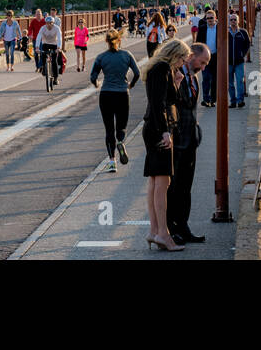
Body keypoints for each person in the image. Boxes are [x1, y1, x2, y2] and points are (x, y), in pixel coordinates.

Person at [142, 38, 188, 252]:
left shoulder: (160, 68)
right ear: (175, 55)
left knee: (155, 181)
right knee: (163, 182)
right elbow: (160, 103)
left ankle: (154, 231)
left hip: (153, 127)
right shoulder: (161, 69)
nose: (183, 64)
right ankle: (162, 234)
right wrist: (165, 131)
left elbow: (170, 100)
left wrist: (177, 82)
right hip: (158, 129)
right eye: (182, 59)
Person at [167, 42, 210, 245]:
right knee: (173, 187)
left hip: (191, 139)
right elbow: (168, 105)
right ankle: (171, 229)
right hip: (176, 140)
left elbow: (192, 109)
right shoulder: (174, 74)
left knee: (186, 187)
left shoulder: (193, 78)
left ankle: (184, 227)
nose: (203, 67)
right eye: (202, 62)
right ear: (191, 56)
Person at [89, 30, 141, 172]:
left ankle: (112, 161)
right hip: (122, 94)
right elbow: (137, 73)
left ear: (106, 41)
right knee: (121, 126)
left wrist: (97, 84)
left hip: (106, 94)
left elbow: (93, 77)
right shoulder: (127, 55)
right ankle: (120, 142)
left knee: (109, 129)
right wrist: (131, 84)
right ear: (119, 40)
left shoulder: (101, 57)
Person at [193, 9, 220, 107]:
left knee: (214, 79)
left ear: (215, 18)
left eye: (211, 18)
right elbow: (198, 42)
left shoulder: (220, 28)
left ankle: (213, 99)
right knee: (206, 78)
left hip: (216, 56)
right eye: (207, 18)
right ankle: (205, 98)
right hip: (205, 58)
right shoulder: (203, 28)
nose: (209, 20)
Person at [227, 13, 251, 108]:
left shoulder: (243, 32)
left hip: (239, 62)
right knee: (230, 83)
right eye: (231, 20)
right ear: (229, 21)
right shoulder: (226, 33)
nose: (233, 21)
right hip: (228, 62)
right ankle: (233, 101)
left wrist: (243, 54)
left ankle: (240, 100)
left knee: (240, 81)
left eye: (235, 20)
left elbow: (248, 44)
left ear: (238, 21)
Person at [38, 14, 64, 89]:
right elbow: (38, 37)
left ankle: (55, 78)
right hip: (45, 44)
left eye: (50, 23)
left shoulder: (56, 28)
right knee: (42, 54)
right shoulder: (43, 28)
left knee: (54, 61)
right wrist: (36, 47)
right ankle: (43, 67)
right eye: (47, 23)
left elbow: (59, 38)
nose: (49, 25)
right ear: (45, 23)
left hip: (54, 44)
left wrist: (59, 48)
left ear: (53, 23)